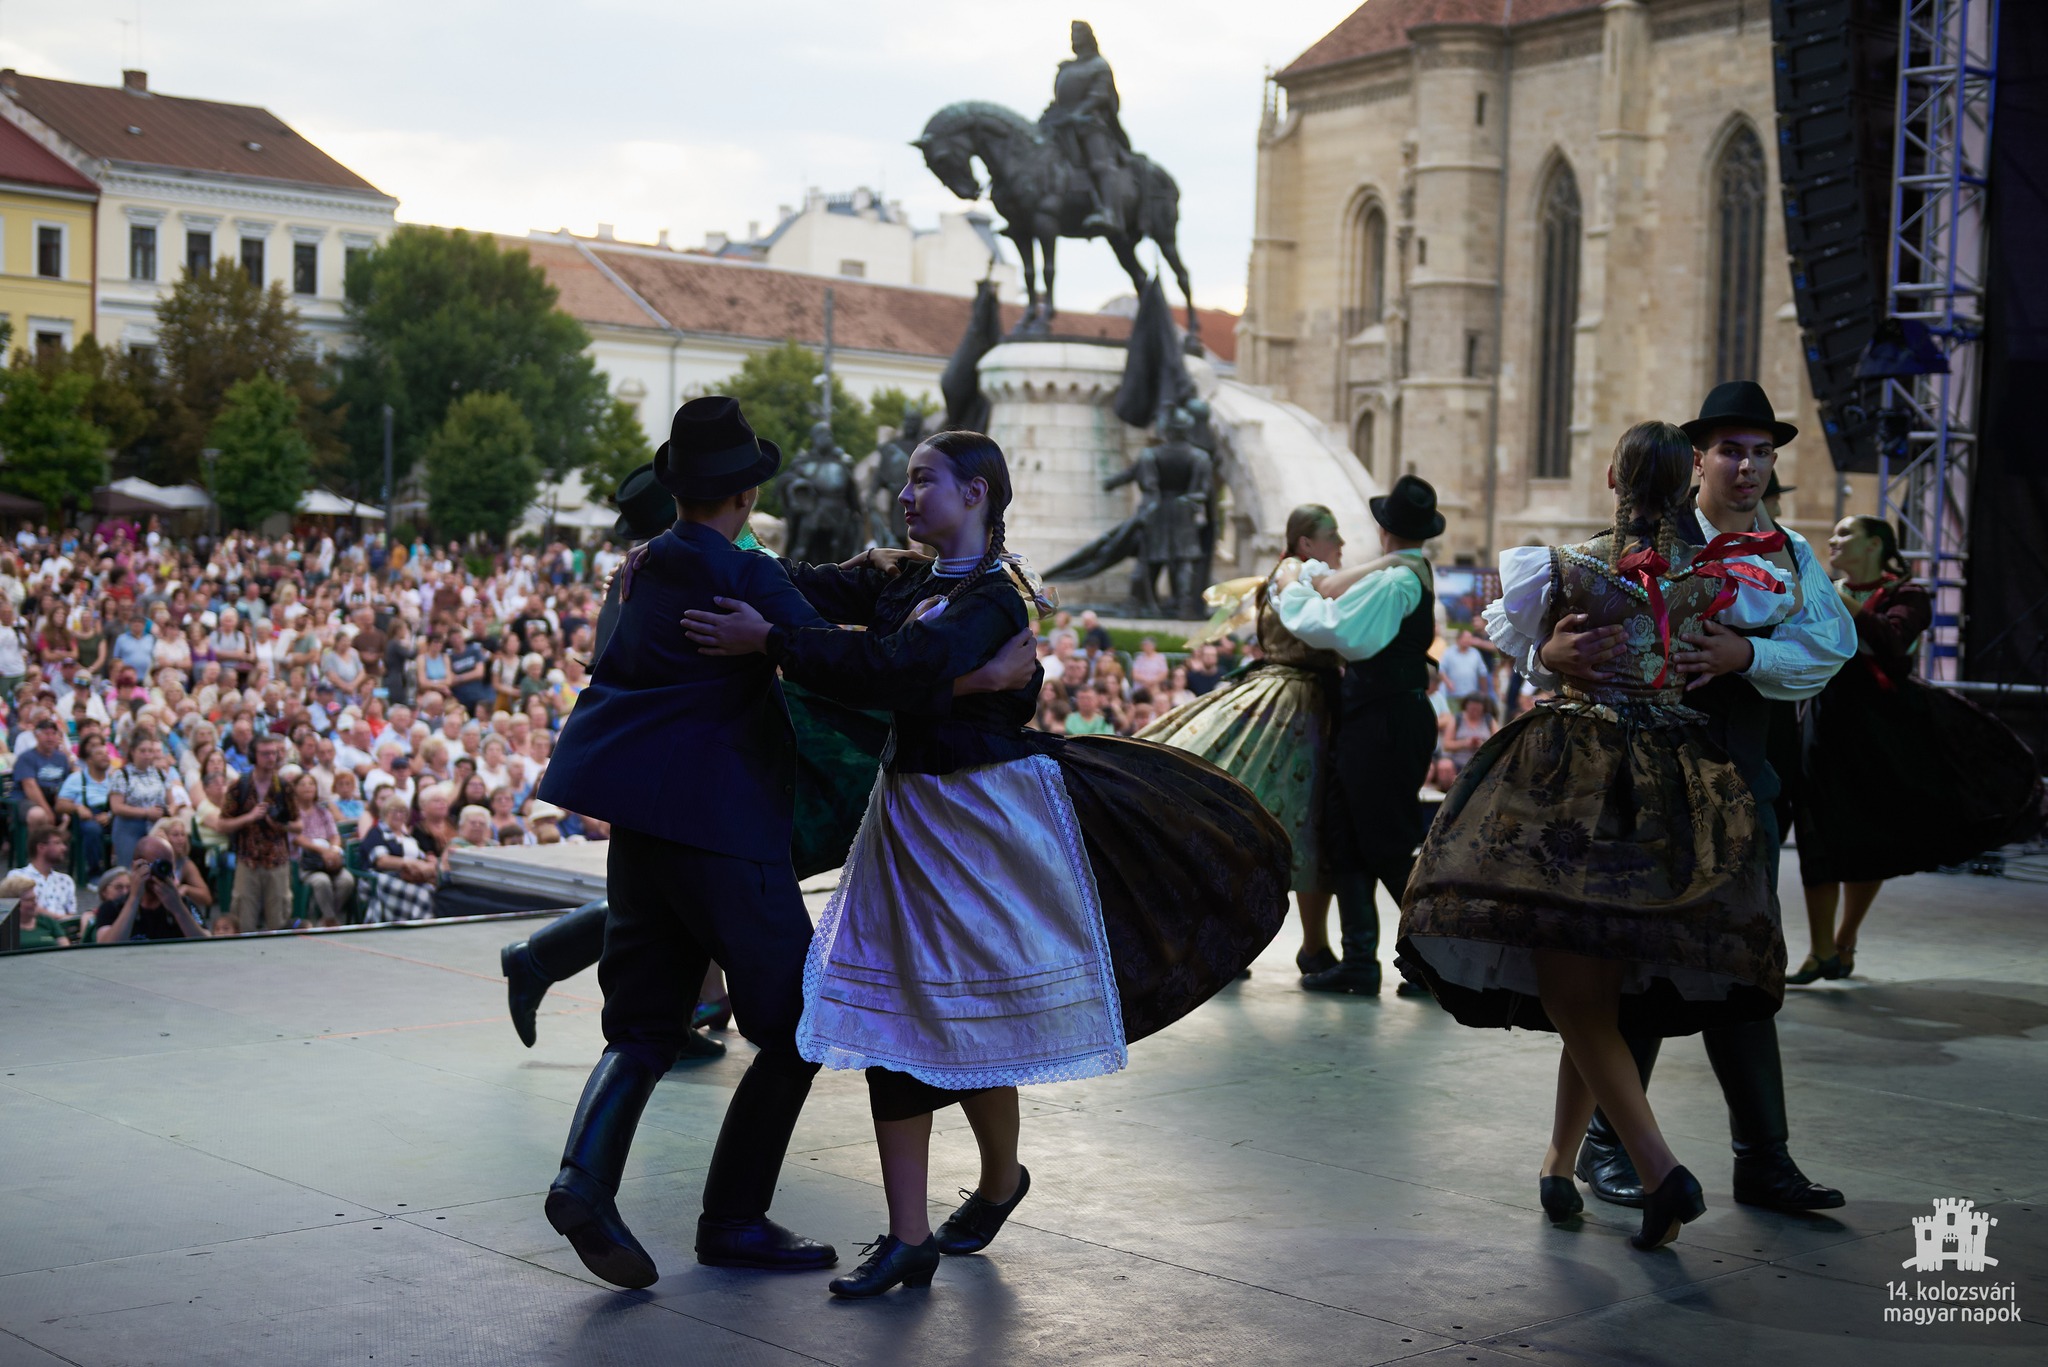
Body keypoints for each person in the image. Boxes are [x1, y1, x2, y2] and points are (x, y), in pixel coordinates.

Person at [685, 428, 1289, 1299]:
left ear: (977, 494)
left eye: (923, 481)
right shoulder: (905, 575)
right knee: (901, 1021)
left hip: (982, 825)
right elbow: (798, 586)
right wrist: (694, 548)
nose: (905, 494)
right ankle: (911, 1234)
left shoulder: (997, 598)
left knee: (971, 1018)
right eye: (904, 480)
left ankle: (996, 1184)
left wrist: (771, 643)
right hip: (912, 819)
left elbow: (898, 666)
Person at [1399, 421, 1798, 1248]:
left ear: (1613, 477)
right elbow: (1782, 637)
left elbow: (1529, 655)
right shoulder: (1722, 572)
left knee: (1570, 989)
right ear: (1687, 479)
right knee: (1593, 991)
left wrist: (1550, 653)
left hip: (1576, 777)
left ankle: (1660, 1168)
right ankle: (1556, 1160)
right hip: (1677, 783)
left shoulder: (1563, 565)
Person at [1536, 382, 1856, 1215]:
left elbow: (1830, 646)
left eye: (1761, 454)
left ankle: (1765, 1160)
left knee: (1744, 961)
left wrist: (1744, 658)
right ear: (1697, 462)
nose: (1747, 468)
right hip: (1637, 786)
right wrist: (1553, 652)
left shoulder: (1788, 554)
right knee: (1634, 962)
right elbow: (1548, 623)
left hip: (1741, 784)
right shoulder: (1638, 535)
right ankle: (1611, 1146)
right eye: (1731, 451)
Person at [1790, 515, 2042, 981]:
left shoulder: (1907, 594)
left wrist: (1839, 599)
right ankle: (1820, 949)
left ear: (1877, 545)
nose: (1834, 541)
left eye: (1846, 535)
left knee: (1869, 834)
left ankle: (1844, 941)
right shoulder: (1820, 589)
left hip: (1883, 731)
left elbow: (1893, 643)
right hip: (1824, 723)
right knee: (1816, 831)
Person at [1139, 503, 1349, 977]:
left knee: (1298, 821)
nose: (1341, 545)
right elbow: (1309, 618)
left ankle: (1304, 943)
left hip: (1298, 695)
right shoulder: (1294, 571)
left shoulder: (1294, 570)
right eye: (1332, 535)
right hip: (1295, 702)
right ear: (1305, 543)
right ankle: (1298, 944)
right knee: (1289, 816)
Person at [1270, 474, 1443, 997]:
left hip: (1386, 723)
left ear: (1383, 529)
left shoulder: (1394, 581)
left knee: (1386, 843)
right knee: (1349, 835)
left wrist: (1290, 589)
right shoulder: (1400, 570)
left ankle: (1434, 963)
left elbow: (1335, 628)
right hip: (1375, 718)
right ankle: (1361, 960)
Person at [216, 732, 299, 933]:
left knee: (278, 921)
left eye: (274, 753)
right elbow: (222, 825)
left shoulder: (284, 786)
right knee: (244, 920)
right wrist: (249, 817)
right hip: (248, 860)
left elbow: (298, 825)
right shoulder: (240, 786)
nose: (271, 758)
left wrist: (278, 824)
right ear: (254, 755)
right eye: (265, 754)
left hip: (277, 860)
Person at [90, 837, 208, 943]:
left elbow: (206, 945)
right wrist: (134, 899)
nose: (161, 873)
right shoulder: (112, 908)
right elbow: (106, 949)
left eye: (167, 867)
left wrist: (178, 909)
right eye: (155, 866)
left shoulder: (183, 905)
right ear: (136, 867)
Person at [289, 771, 356, 926]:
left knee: (347, 880)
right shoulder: (292, 812)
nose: (308, 788)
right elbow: (296, 839)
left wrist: (333, 849)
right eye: (303, 784)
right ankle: (331, 919)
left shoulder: (323, 811)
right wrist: (321, 851)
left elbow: (334, 834)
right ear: (295, 789)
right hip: (306, 862)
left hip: (328, 859)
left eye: (311, 784)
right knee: (322, 881)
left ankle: (326, 918)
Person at [108, 737, 181, 869]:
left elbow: (172, 802)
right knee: (131, 869)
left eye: (150, 751)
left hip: (157, 826)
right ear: (132, 752)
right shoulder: (122, 775)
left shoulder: (159, 773)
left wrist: (169, 811)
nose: (147, 755)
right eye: (142, 751)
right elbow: (116, 807)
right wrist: (146, 812)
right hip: (129, 826)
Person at [54, 733, 115, 873]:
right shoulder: (76, 778)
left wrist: (110, 815)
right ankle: (94, 871)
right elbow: (60, 805)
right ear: (89, 761)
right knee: (92, 830)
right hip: (87, 817)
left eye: (107, 753)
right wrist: (77, 807)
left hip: (110, 814)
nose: (106, 757)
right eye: (100, 754)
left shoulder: (114, 778)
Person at [12, 718, 73, 834]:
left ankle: (58, 848)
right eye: (46, 734)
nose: (50, 738)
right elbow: (30, 787)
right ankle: (35, 850)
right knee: (39, 815)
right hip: (28, 799)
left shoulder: (62, 758)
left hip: (54, 797)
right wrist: (47, 811)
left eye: (53, 734)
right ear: (36, 736)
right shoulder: (26, 758)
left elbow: (65, 785)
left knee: (69, 816)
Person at [9, 826, 77, 920]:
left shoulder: (66, 880)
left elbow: (72, 916)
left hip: (63, 932)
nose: (64, 848)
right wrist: (57, 918)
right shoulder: (17, 877)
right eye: (57, 843)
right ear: (41, 847)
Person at [3, 873, 68, 948]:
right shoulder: (5, 928)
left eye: (35, 898)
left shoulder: (47, 921)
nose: (35, 903)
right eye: (29, 900)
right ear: (12, 902)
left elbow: (65, 948)